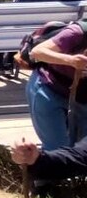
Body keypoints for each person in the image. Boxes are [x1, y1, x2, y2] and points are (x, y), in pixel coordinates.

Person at [21, 18, 87, 149]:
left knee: (81, 149)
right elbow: (37, 52)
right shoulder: (77, 32)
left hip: (80, 95)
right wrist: (71, 60)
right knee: (57, 148)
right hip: (48, 89)